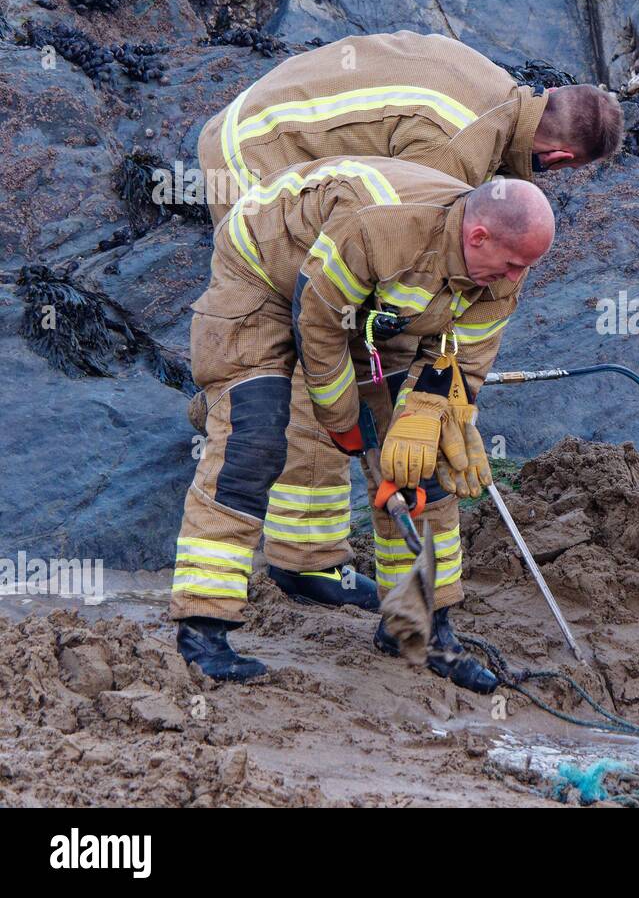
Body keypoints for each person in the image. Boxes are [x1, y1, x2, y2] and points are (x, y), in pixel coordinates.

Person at [188, 31, 621, 611]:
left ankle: (297, 530)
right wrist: (417, 403)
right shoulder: (455, 151)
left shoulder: (495, 92)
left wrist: (443, 395)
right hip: (261, 152)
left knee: (339, 343)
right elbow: (396, 268)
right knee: (316, 340)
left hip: (264, 124)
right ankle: (306, 559)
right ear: (562, 158)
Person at [171, 157, 554, 685]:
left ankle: (416, 625)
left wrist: (428, 411)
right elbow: (320, 324)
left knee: (423, 460)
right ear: (480, 235)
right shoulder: (381, 225)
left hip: (367, 303)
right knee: (252, 440)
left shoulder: (503, 270)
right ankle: (202, 630)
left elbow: (461, 359)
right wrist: (347, 423)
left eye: (524, 268)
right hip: (262, 274)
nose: (517, 279)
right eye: (512, 265)